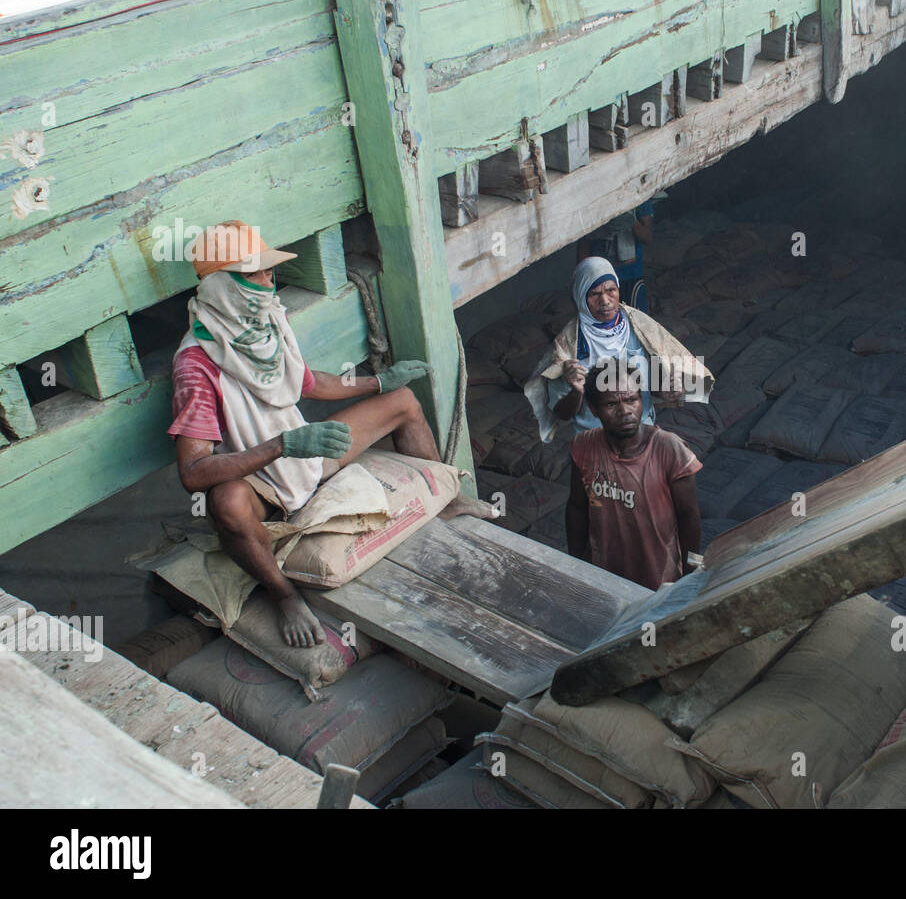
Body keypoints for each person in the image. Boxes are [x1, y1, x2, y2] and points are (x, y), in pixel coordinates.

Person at [168, 221, 492, 648]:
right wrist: (281, 446)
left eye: (269, 272)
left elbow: (308, 383)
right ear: (221, 286)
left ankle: (445, 501)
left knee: (403, 403)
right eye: (255, 275)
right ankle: (283, 593)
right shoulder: (196, 362)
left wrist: (379, 382)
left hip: (307, 451)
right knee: (224, 501)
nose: (268, 284)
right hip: (261, 485)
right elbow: (193, 472)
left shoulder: (267, 325)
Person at [524, 256, 713, 442]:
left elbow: (657, 386)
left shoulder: (640, 328)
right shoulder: (568, 346)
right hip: (594, 443)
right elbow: (562, 414)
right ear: (580, 298)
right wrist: (577, 391)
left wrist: (669, 390)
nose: (605, 300)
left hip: (642, 435)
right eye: (594, 294)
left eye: (610, 290)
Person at [566, 357, 703, 591]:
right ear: (594, 409)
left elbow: (689, 516)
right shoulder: (584, 446)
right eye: (611, 404)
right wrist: (575, 561)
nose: (625, 411)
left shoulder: (669, 448)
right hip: (604, 575)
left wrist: (689, 574)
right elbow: (577, 507)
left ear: (642, 400)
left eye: (631, 399)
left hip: (660, 579)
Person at [577, 193, 664, 312]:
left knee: (636, 320)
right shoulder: (594, 199)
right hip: (600, 278)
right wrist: (582, 272)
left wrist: (630, 219)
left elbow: (647, 237)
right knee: (605, 320)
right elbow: (584, 239)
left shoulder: (638, 196)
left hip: (630, 275)